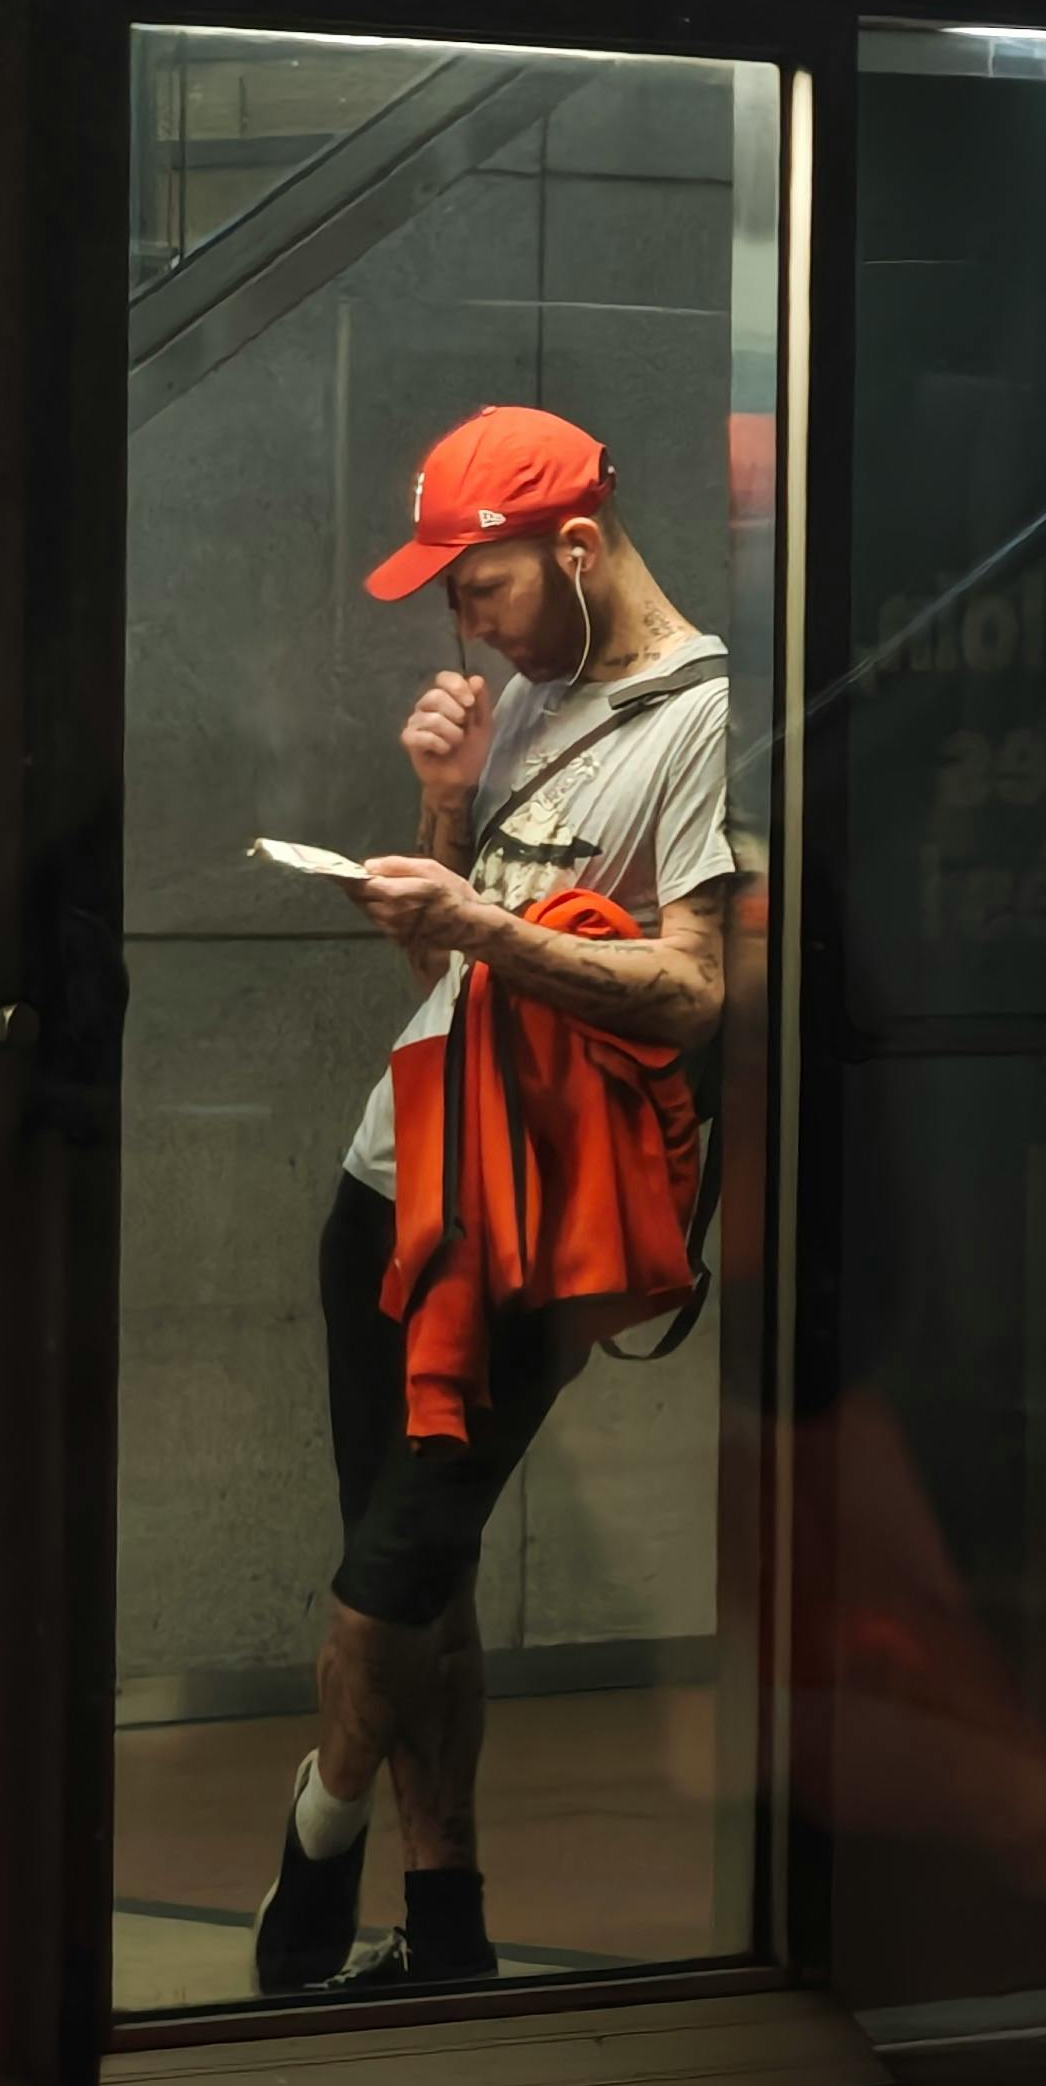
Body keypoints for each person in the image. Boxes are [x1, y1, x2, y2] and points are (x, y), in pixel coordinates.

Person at [254, 404, 735, 1994]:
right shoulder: (526, 697)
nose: (470, 623)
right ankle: (446, 1927)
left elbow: (687, 989)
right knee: (420, 1577)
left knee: (381, 1585)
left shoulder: (701, 716)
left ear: (578, 549)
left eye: (488, 586)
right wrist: (444, 810)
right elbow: (441, 956)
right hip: (394, 1177)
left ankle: (311, 1850)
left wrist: (474, 913)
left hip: (540, 1216)